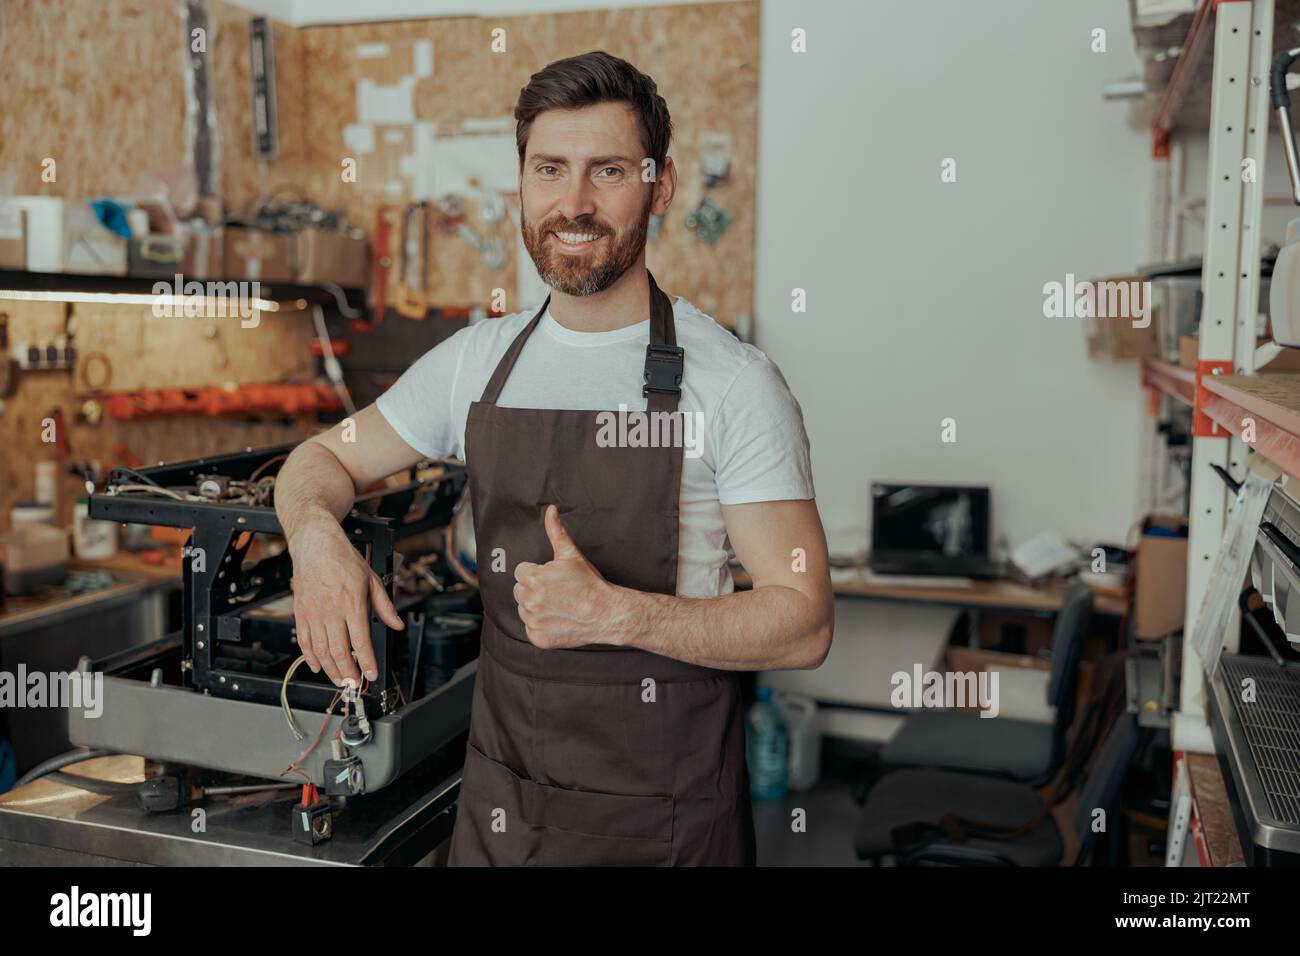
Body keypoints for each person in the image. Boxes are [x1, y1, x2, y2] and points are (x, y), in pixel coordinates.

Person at [274, 50, 833, 866]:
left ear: (660, 185)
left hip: (664, 821)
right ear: (523, 185)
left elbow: (803, 621)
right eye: (550, 170)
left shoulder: (735, 383)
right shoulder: (476, 363)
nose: (573, 203)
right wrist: (316, 540)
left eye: (607, 171)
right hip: (506, 803)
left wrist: (619, 615)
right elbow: (317, 461)